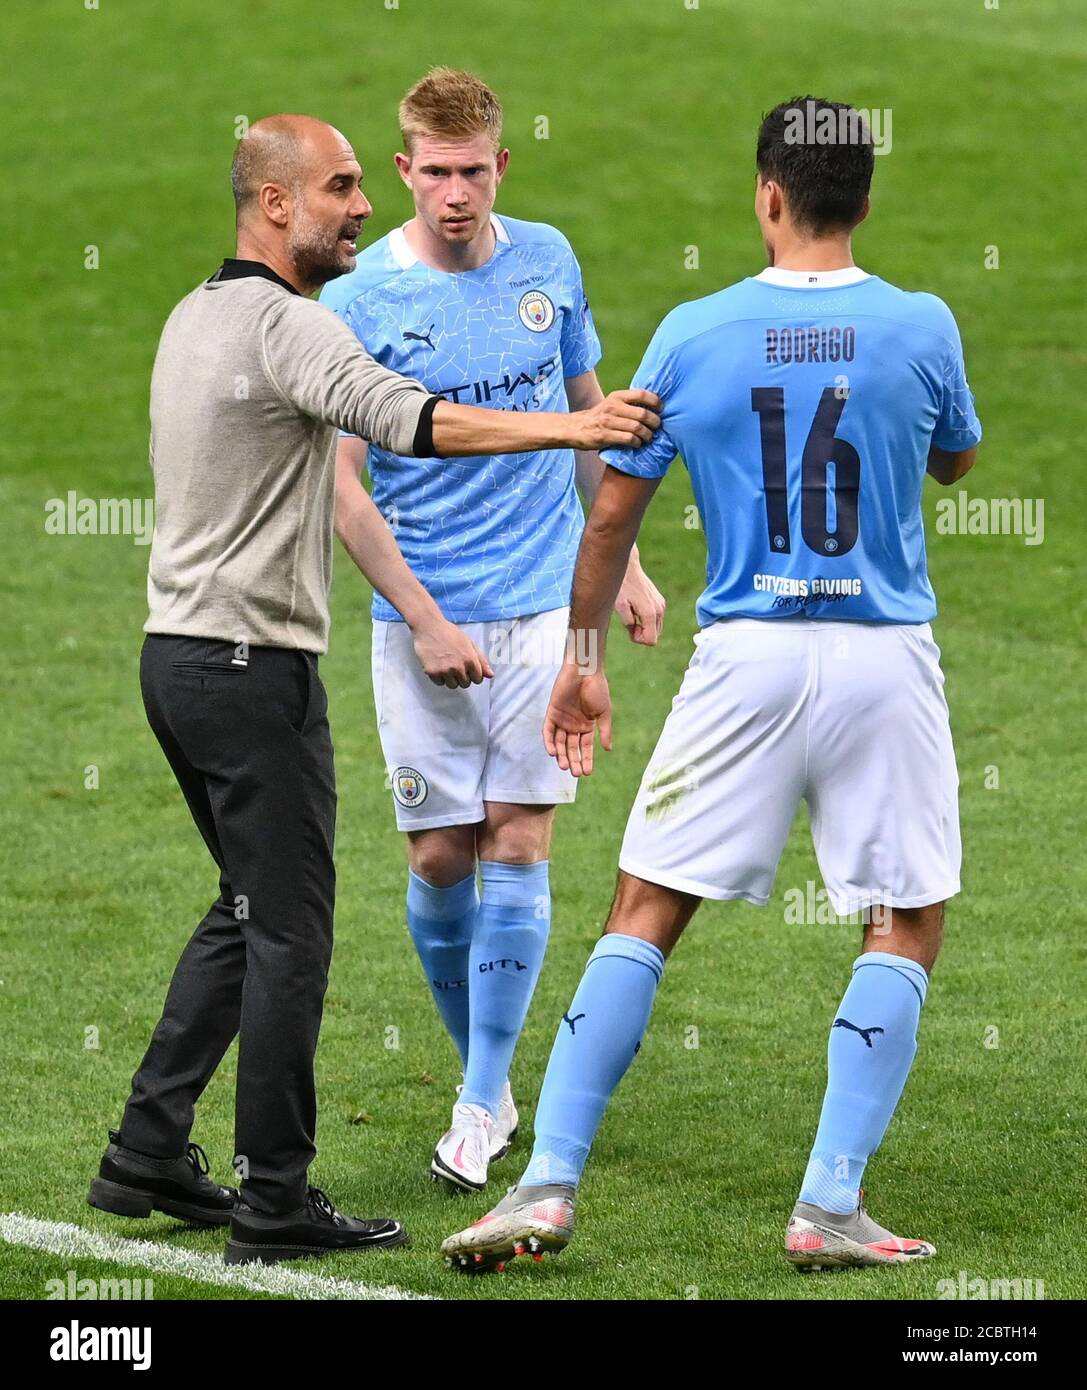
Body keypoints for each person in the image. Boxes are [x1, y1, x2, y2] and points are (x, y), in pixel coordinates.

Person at [86, 113, 660, 1267]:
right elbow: (417, 421)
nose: (363, 206)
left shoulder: (193, 311)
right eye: (342, 187)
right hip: (253, 666)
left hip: (176, 655)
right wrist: (574, 422)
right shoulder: (291, 326)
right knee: (291, 929)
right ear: (275, 204)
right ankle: (275, 1195)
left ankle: (147, 1149)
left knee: (244, 910)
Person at [441, 95, 981, 1274]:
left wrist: (580, 666)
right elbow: (954, 456)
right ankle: (829, 1201)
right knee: (904, 917)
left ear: (767, 197)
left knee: (644, 909)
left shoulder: (692, 333)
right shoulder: (922, 322)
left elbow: (609, 520)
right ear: (865, 203)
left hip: (742, 664)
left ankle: (542, 1185)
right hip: (884, 661)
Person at [320, 69, 665, 1192]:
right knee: (437, 858)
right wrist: (419, 620)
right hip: (418, 612)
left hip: (539, 604)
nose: (456, 193)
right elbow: (344, 492)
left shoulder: (548, 261)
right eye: (436, 172)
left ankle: (481, 1097)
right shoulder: (358, 301)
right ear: (405, 168)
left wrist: (622, 567)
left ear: (499, 166)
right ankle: (490, 1070)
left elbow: (588, 413)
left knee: (517, 837)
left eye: (475, 171)